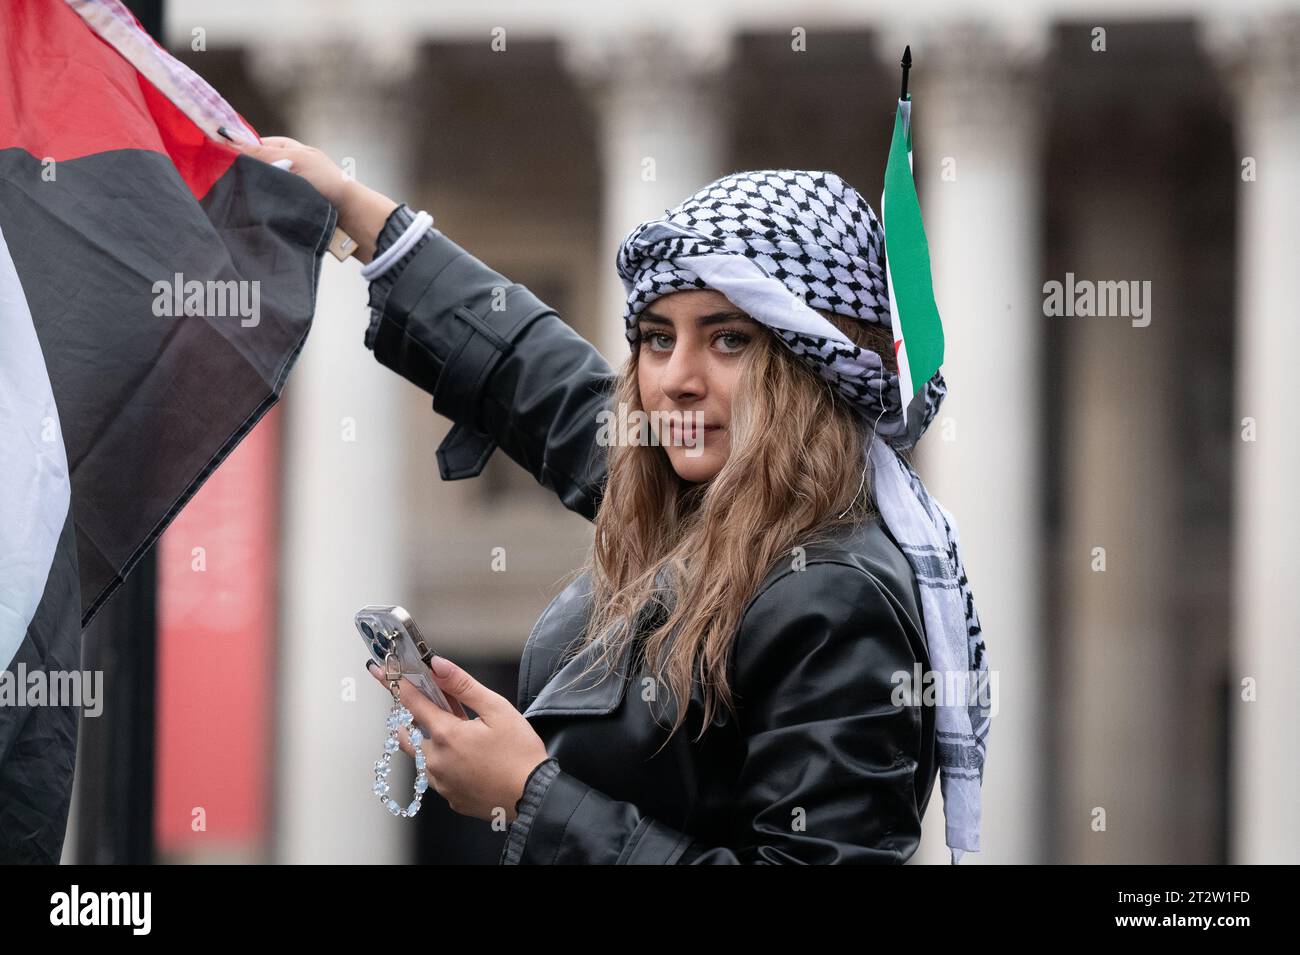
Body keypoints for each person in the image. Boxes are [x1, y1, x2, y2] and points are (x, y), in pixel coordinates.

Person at [229, 136, 990, 864]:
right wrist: (356, 210)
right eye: (658, 338)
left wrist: (531, 794)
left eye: (728, 340)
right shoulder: (691, 499)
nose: (676, 378)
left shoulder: (834, 595)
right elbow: (539, 377)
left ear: (812, 366)